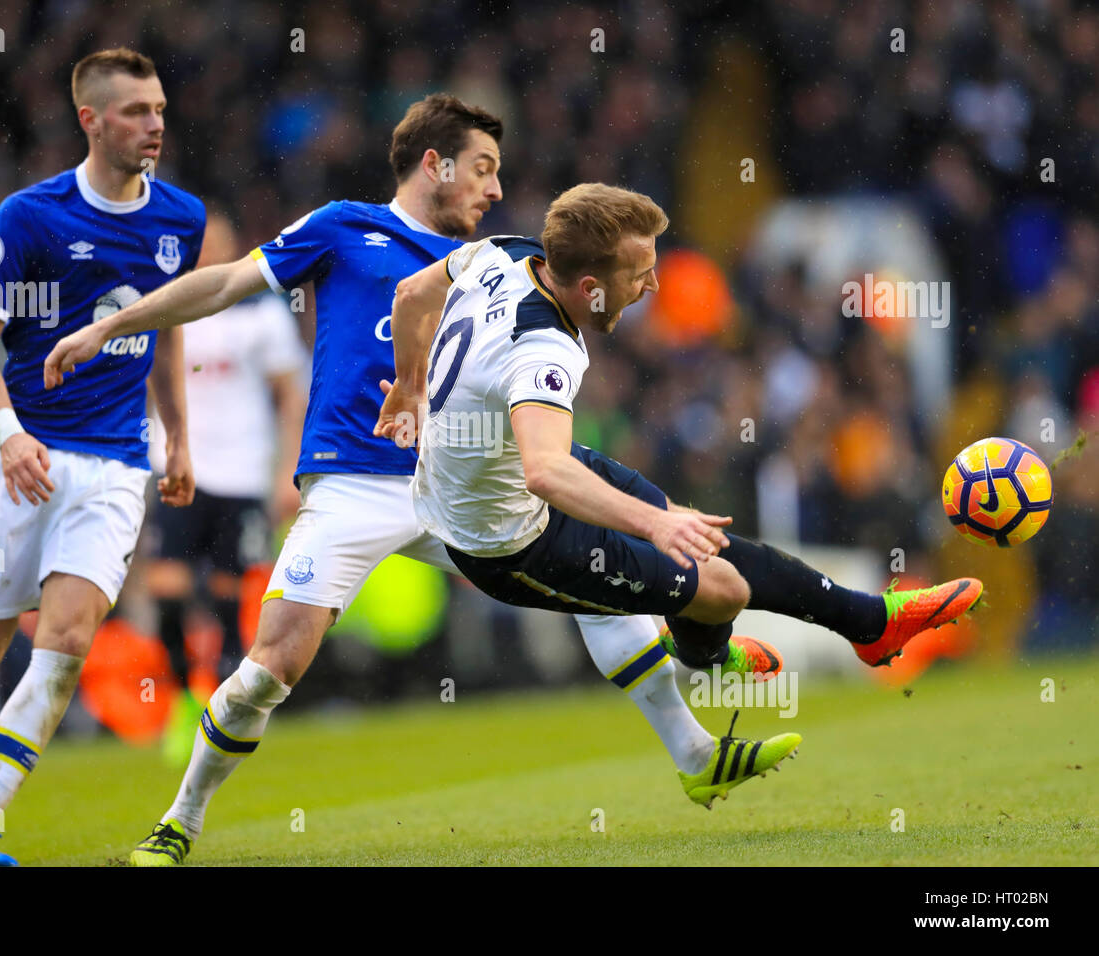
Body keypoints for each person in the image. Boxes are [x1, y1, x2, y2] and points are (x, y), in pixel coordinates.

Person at [45, 96, 795, 867]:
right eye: (482, 168)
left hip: (462, 486)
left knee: (600, 575)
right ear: (434, 165)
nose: (495, 190)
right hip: (353, 484)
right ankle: (180, 821)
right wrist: (111, 326)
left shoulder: (504, 263)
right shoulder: (344, 227)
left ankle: (696, 756)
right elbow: (225, 285)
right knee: (269, 670)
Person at [375, 182, 984, 693]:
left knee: (702, 536)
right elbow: (547, 472)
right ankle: (710, 659)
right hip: (504, 539)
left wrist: (409, 385)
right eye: (640, 275)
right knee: (720, 588)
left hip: (500, 467)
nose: (652, 288)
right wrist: (654, 525)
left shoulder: (504, 253)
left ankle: (869, 622)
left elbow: (410, 295)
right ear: (591, 286)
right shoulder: (544, 346)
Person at [0, 48, 205, 867]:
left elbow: (165, 329)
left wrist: (176, 434)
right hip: (20, 460)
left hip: (115, 465)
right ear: (90, 120)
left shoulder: (181, 219)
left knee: (66, 641)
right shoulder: (28, 217)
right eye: (137, 111)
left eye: (161, 108)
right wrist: (9, 434)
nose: (155, 124)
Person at [144, 208, 307, 763]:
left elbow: (291, 396)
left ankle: (222, 707)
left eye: (220, 239)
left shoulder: (260, 312)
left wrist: (290, 468)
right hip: (177, 467)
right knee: (166, 588)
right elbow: (145, 387)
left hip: (241, 469)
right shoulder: (167, 308)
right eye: (201, 241)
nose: (210, 249)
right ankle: (183, 699)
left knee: (229, 592)